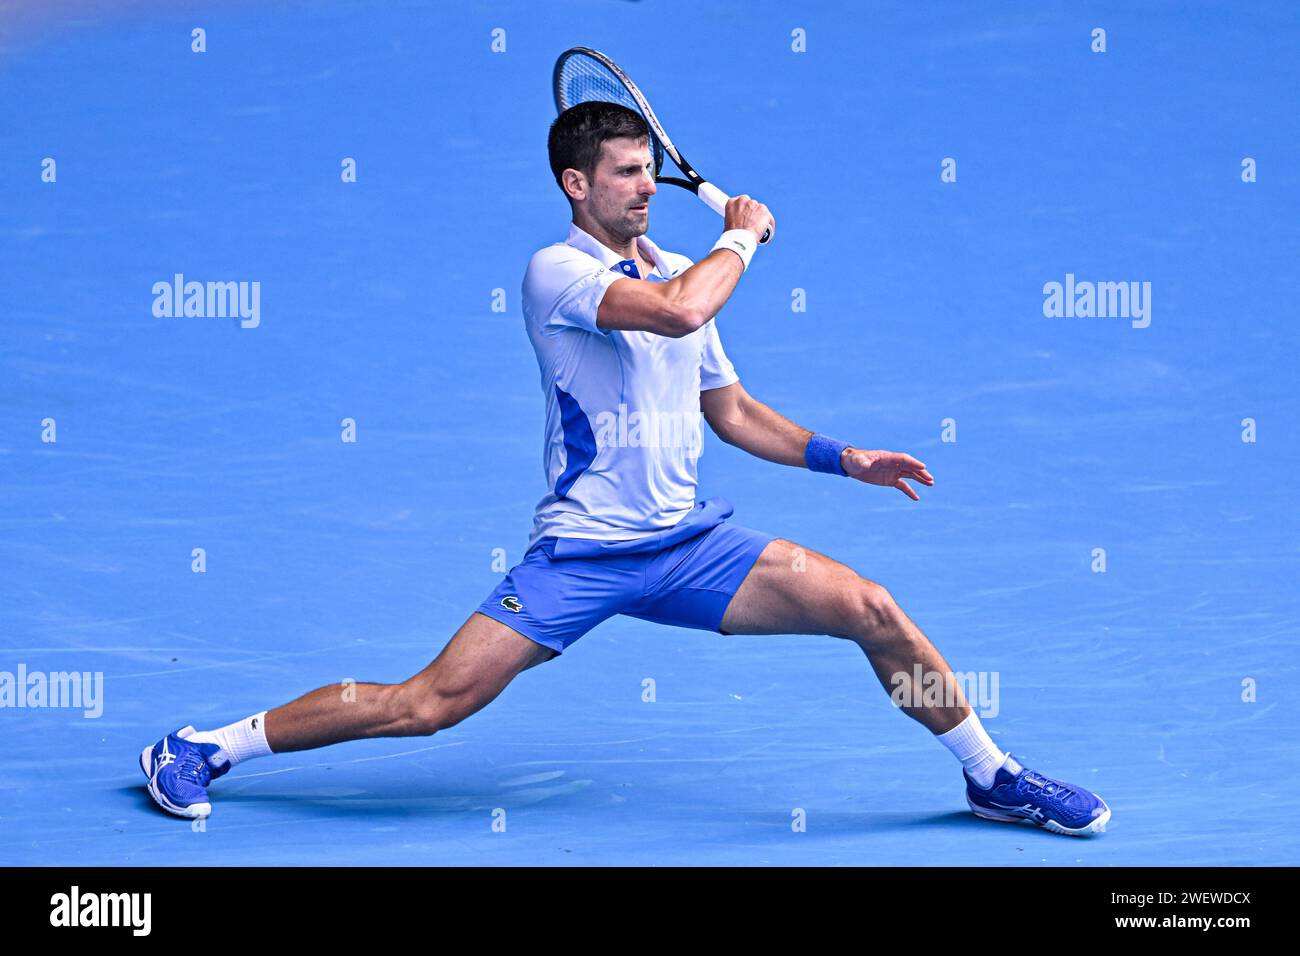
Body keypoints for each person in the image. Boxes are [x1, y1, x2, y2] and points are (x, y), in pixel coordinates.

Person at [141, 101, 1110, 837]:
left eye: (650, 172)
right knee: (427, 704)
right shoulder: (555, 272)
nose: (645, 187)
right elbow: (684, 311)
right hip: (580, 554)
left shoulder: (680, 266)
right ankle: (202, 745)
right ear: (575, 185)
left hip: (688, 544)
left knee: (873, 608)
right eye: (625, 174)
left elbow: (729, 411)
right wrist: (741, 234)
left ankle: (990, 775)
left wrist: (839, 457)